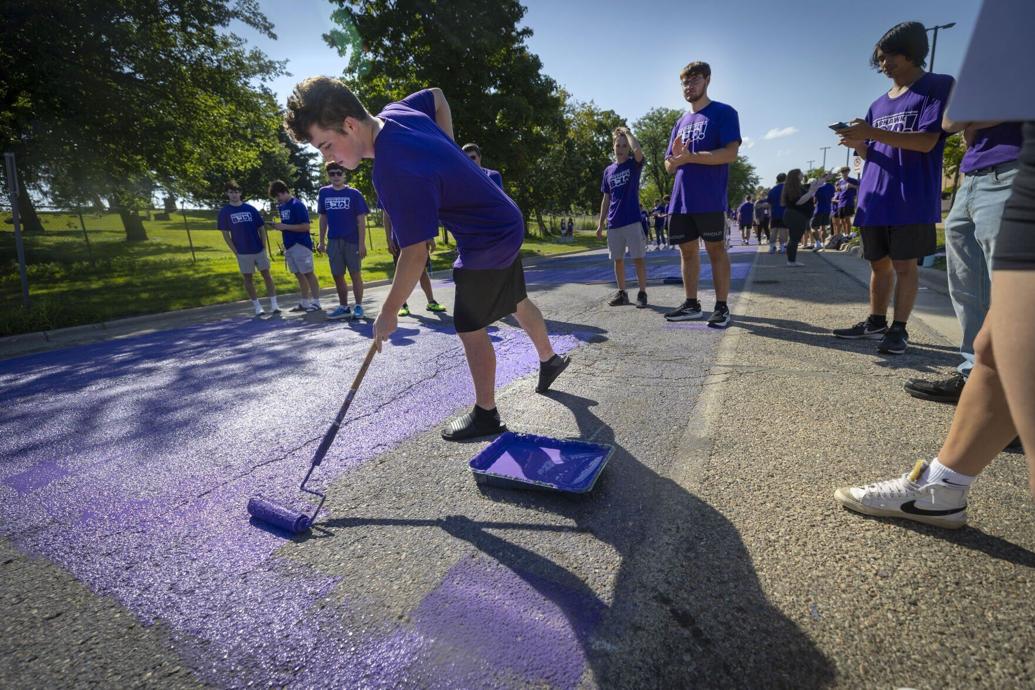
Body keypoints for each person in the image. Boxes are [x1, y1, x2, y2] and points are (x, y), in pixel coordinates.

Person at [285, 78, 570, 440]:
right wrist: (448, 148)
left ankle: (487, 415)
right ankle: (550, 360)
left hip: (488, 236)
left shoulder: (392, 169)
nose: (328, 158)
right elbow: (438, 96)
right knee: (513, 299)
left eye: (327, 145)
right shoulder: (397, 113)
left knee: (469, 324)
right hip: (501, 219)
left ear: (350, 125)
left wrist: (388, 312)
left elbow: (415, 253)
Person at [835, 117, 1035, 528]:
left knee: (1017, 339)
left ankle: (943, 487)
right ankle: (943, 488)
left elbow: (953, 118)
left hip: (1017, 169)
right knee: (994, 344)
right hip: (985, 170)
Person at [833, 21, 955, 355]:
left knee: (905, 265)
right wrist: (860, 143)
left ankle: (899, 330)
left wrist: (872, 132)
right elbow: (877, 152)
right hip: (875, 196)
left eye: (890, 57)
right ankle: (876, 322)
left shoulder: (937, 86)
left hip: (910, 195)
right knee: (878, 264)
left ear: (911, 53)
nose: (884, 64)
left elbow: (928, 141)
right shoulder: (878, 103)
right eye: (881, 58)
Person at [904, 121, 1022, 402]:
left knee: (1015, 296)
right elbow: (951, 121)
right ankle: (977, 378)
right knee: (969, 290)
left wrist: (973, 114)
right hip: (972, 176)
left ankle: (1014, 405)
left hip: (1017, 169)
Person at [662, 61, 741, 329]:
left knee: (716, 251)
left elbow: (730, 153)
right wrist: (675, 160)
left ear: (707, 80)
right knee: (687, 253)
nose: (688, 85)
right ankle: (692, 304)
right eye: (684, 81)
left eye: (694, 80)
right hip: (681, 200)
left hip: (709, 198)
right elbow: (669, 164)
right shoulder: (679, 122)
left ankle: (721, 307)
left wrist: (691, 157)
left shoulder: (723, 113)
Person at [596, 126, 649, 308]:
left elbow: (638, 151)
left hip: (632, 220)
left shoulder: (634, 165)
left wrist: (627, 133)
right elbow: (606, 198)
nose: (620, 149)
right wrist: (601, 223)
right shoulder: (608, 171)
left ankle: (642, 293)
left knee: (638, 259)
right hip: (614, 223)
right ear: (613, 146)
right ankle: (622, 293)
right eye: (618, 145)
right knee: (617, 260)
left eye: (624, 146)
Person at [217, 180, 279, 316]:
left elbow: (261, 228)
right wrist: (236, 251)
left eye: (236, 192)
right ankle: (257, 307)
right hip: (243, 252)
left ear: (240, 193)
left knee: (267, 275)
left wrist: (263, 246)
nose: (234, 195)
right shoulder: (225, 212)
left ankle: (274, 305)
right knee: (248, 279)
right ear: (227, 194)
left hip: (258, 249)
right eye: (231, 192)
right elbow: (225, 234)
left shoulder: (250, 209)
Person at [317, 162, 369, 320]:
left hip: (352, 241)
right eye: (332, 173)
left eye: (339, 173)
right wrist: (321, 241)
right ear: (328, 176)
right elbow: (323, 218)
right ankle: (344, 307)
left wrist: (362, 244)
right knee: (337, 275)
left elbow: (361, 221)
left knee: (355, 274)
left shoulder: (354, 194)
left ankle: (358, 306)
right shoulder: (324, 193)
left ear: (344, 174)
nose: (336, 176)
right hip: (333, 241)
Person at [383, 206, 447, 317]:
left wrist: (429, 236)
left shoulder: (416, 189)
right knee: (401, 272)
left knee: (422, 271)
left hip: (418, 237)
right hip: (399, 239)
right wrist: (388, 239)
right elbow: (386, 215)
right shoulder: (388, 189)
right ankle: (403, 305)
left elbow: (424, 213)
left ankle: (431, 302)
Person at [780, 170, 824, 266]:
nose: (803, 174)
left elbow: (813, 186)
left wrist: (823, 179)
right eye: (800, 173)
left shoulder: (798, 187)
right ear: (795, 176)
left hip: (796, 215)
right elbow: (798, 201)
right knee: (794, 239)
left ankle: (791, 260)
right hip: (795, 215)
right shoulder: (792, 188)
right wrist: (811, 192)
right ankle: (791, 261)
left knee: (793, 239)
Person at [832, 166, 858, 244]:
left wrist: (852, 186)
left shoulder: (853, 180)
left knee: (847, 219)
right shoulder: (839, 182)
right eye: (843, 171)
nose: (844, 173)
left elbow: (860, 187)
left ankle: (848, 234)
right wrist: (837, 188)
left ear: (848, 171)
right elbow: (837, 190)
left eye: (846, 171)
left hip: (848, 202)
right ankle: (844, 235)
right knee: (842, 220)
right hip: (840, 202)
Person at [810, 176, 836, 251]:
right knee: (823, 227)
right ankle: (823, 245)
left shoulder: (818, 186)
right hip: (828, 209)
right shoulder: (831, 186)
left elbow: (813, 198)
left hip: (819, 209)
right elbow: (832, 196)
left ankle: (818, 243)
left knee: (813, 226)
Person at [766, 173, 788, 254]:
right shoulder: (787, 189)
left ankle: (771, 247)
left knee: (773, 231)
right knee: (783, 231)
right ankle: (782, 247)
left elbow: (769, 204)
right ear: (786, 179)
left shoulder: (772, 190)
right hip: (784, 213)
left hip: (774, 213)